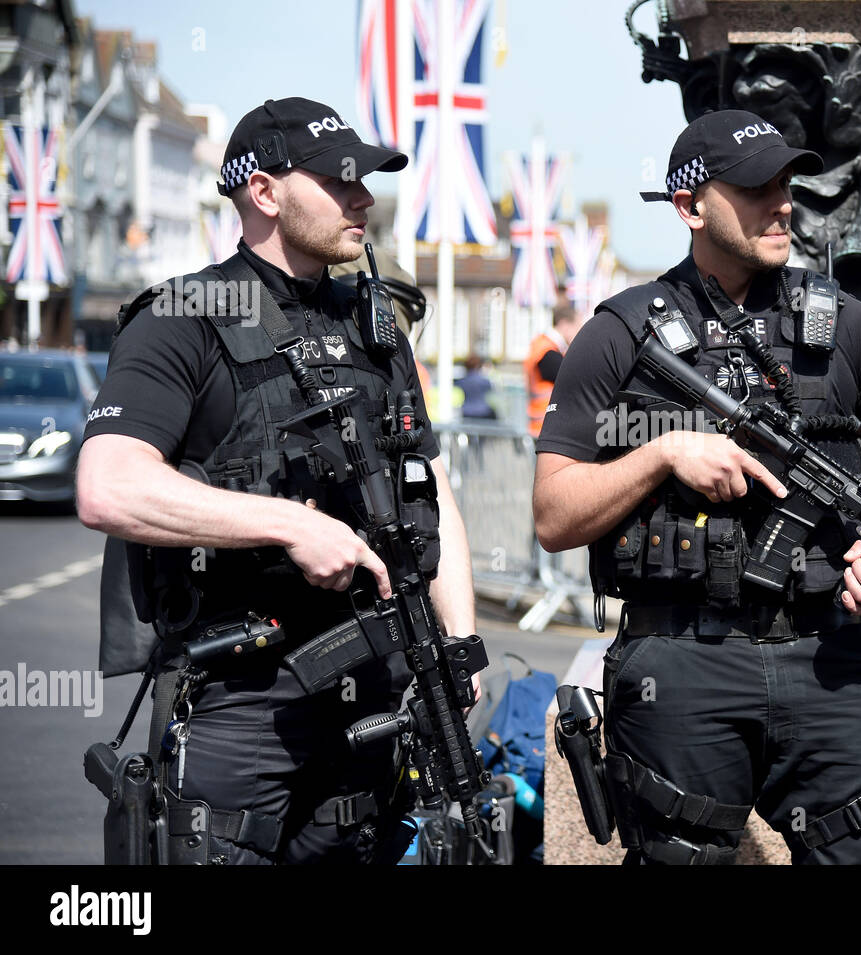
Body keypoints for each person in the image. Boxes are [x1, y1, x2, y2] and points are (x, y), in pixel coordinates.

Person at [532, 109, 861, 865]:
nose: (783, 201)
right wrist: (660, 456)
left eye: (787, 182)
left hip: (831, 653)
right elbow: (554, 515)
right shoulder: (620, 334)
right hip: (683, 662)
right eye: (757, 186)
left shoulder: (850, 326)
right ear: (690, 205)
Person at [77, 97, 479, 864]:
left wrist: (456, 642)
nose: (364, 196)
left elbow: (429, 487)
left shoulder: (376, 322)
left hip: (374, 691)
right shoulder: (181, 316)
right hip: (240, 702)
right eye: (340, 180)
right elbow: (108, 485)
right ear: (263, 192)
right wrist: (290, 524)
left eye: (367, 180)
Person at [523, 300, 579, 437]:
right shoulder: (548, 352)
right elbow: (574, 380)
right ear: (565, 324)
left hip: (544, 427)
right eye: (578, 326)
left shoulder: (546, 347)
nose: (580, 333)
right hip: (547, 428)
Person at [456, 353, 497, 420]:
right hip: (483, 412)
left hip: (466, 412)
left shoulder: (462, 381)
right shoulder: (484, 381)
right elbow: (491, 389)